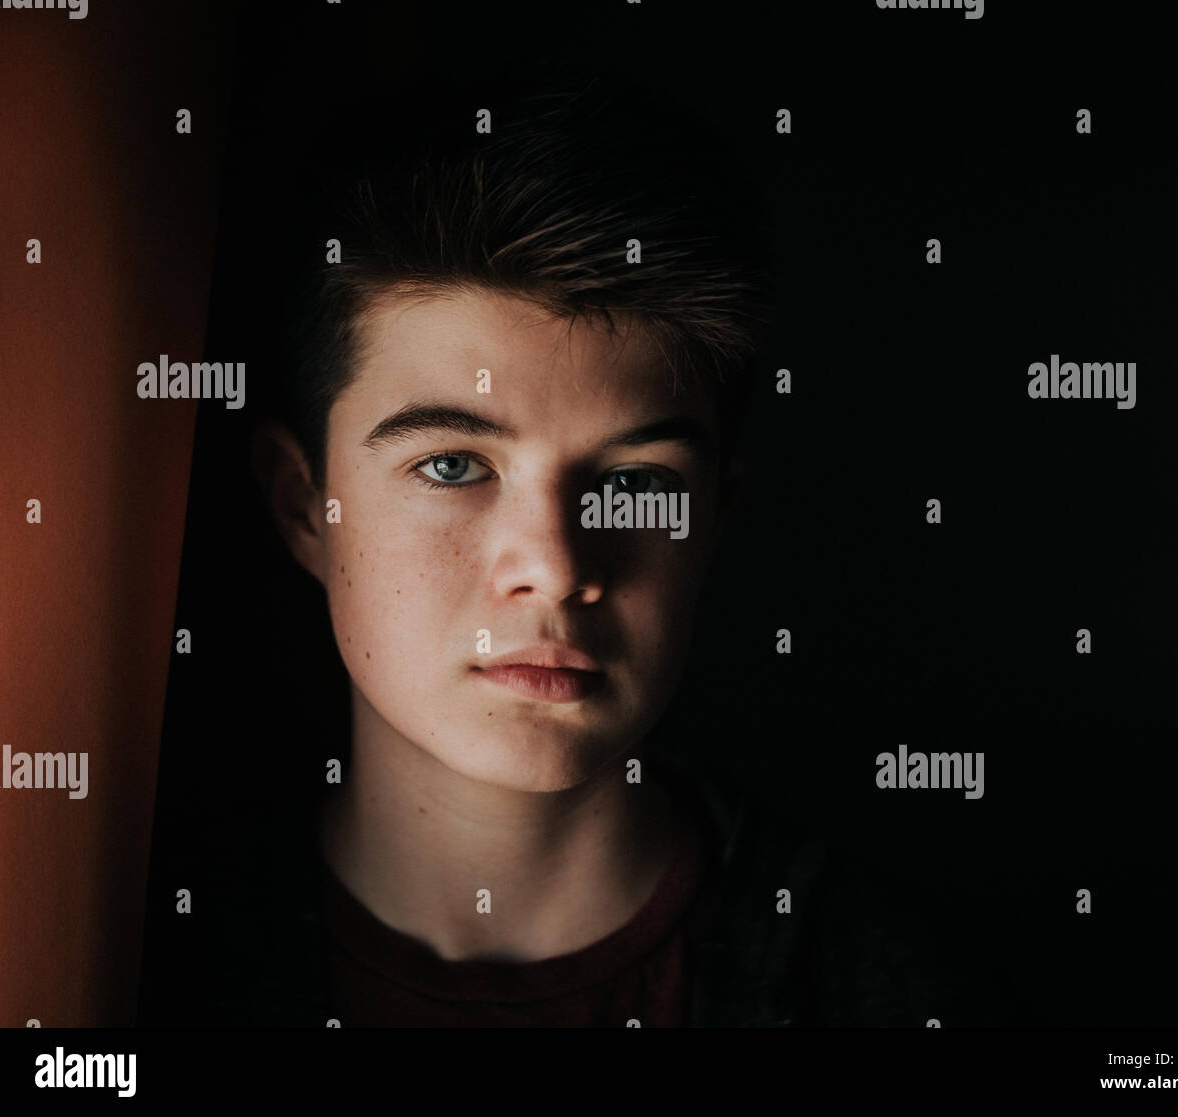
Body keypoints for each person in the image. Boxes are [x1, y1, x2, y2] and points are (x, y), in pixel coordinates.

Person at [238, 71, 988, 1027]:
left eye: (635, 483)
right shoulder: (137, 953)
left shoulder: (887, 988)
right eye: (454, 465)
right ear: (307, 508)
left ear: (713, 518)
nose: (554, 566)